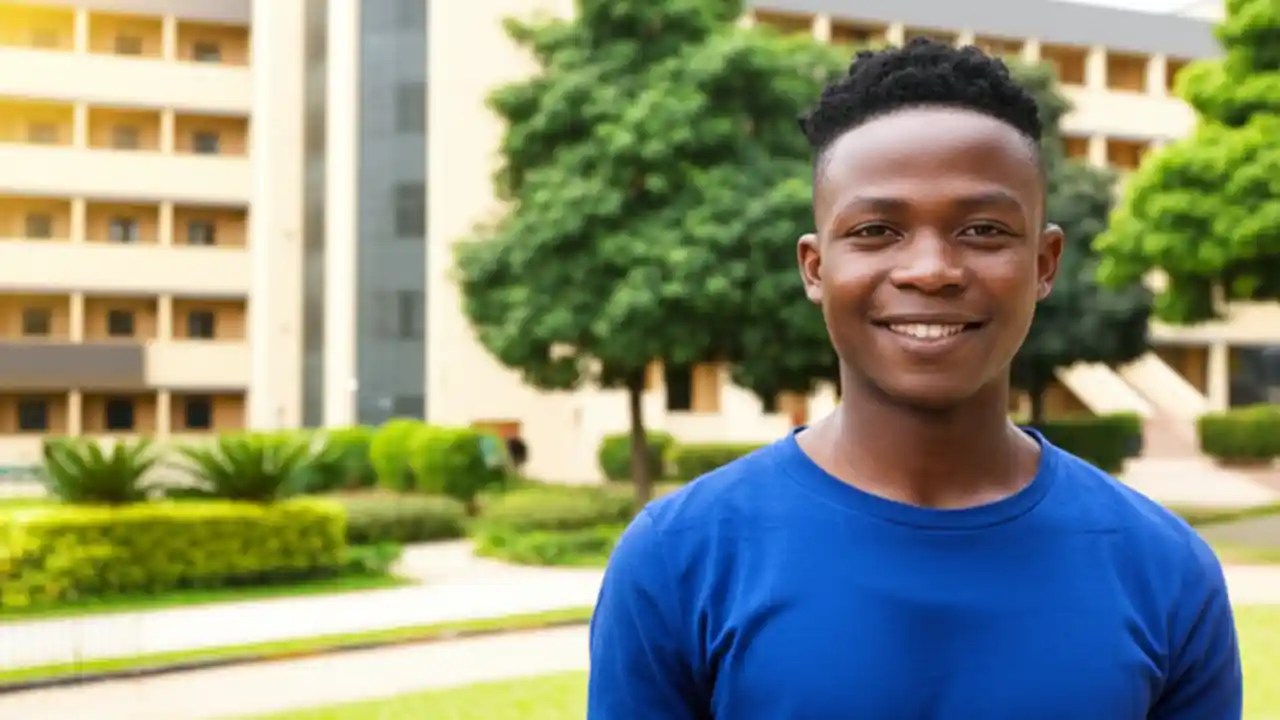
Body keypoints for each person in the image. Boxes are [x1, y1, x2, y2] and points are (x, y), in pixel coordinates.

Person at [587, 38, 1242, 719]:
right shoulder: (680, 559)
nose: (930, 269)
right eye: (876, 230)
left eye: (984, 229)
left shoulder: (1165, 572)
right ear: (816, 268)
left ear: (1045, 263)